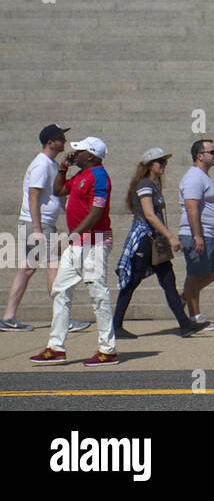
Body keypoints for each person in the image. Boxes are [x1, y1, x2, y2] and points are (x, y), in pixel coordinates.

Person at [30, 138, 117, 366]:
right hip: (77, 244)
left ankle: (107, 350)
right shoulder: (80, 175)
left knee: (98, 294)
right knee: (60, 290)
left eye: (78, 151)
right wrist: (63, 167)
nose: (73, 153)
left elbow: (96, 213)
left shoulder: (100, 176)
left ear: (91, 155)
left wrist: (69, 238)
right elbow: (59, 190)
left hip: (94, 242)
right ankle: (55, 347)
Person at [112, 149, 203, 338]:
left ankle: (184, 324)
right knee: (132, 281)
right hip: (145, 239)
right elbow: (150, 215)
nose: (164, 165)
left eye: (165, 161)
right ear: (149, 165)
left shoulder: (153, 184)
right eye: (160, 161)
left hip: (155, 239)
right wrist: (170, 236)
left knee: (168, 280)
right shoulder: (145, 184)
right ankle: (116, 325)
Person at [3, 123, 73, 332]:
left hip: (41, 223)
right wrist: (37, 228)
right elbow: (33, 196)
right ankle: (63, 320)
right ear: (50, 142)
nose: (64, 141)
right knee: (53, 267)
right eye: (60, 138)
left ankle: (8, 317)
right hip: (38, 223)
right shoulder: (41, 164)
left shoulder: (50, 164)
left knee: (26, 269)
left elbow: (56, 195)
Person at [177, 139, 214, 330]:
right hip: (197, 234)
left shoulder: (203, 176)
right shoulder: (194, 177)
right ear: (200, 156)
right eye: (212, 152)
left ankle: (182, 297)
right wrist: (197, 236)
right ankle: (195, 318)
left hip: (209, 234)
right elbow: (191, 206)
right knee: (195, 275)